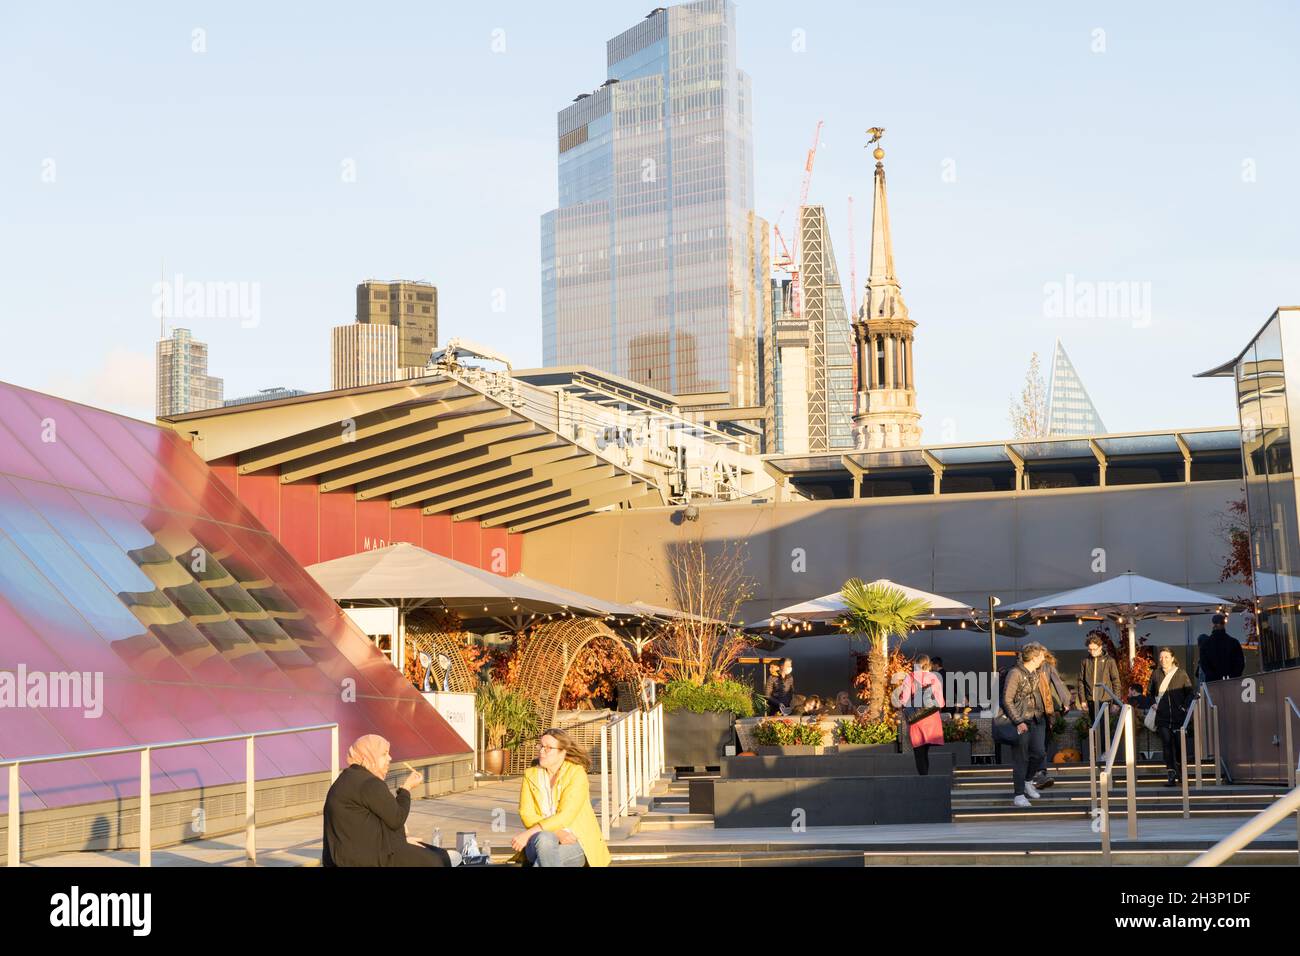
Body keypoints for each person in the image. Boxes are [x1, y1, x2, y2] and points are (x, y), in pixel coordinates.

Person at [322, 734, 452, 867]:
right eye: (384, 754)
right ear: (368, 757)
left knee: (437, 854)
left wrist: (400, 841)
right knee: (437, 860)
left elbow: (372, 822)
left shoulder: (346, 779)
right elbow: (397, 818)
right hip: (367, 858)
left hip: (348, 855)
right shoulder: (369, 783)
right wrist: (406, 789)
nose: (390, 758)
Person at [511, 728, 611, 867]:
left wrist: (528, 834)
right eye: (541, 746)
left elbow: (566, 815)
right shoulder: (531, 775)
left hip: (575, 841)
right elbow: (526, 814)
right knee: (545, 839)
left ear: (562, 752)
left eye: (548, 748)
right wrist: (556, 833)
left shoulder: (576, 774)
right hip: (538, 842)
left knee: (544, 860)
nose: (541, 751)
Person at [1137, 647, 1196, 786]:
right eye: (1161, 657)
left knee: (1179, 746)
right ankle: (1171, 774)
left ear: (1172, 658)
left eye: (1166, 657)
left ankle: (1182, 773)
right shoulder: (1156, 674)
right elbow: (1150, 693)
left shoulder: (1181, 674)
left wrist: (1183, 707)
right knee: (1167, 745)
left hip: (1178, 717)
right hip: (1162, 716)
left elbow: (1190, 693)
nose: (1163, 660)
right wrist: (1152, 704)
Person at [1002, 643, 1049, 808]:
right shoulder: (1015, 673)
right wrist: (1018, 721)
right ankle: (1019, 794)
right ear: (1034, 658)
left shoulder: (1036, 673)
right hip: (1021, 720)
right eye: (1041, 656)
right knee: (1020, 758)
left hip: (1037, 718)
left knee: (1039, 753)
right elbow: (1007, 700)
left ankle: (1028, 780)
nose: (1044, 658)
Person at [897, 654, 945, 775]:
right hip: (931, 718)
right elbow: (941, 702)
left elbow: (904, 700)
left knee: (919, 753)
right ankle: (926, 778)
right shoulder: (934, 677)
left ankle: (924, 779)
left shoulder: (910, 677)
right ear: (928, 665)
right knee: (925, 752)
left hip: (917, 719)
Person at [1077, 633, 1121, 727]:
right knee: (1094, 726)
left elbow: (1116, 681)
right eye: (1090, 649)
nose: (1092, 652)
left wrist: (1116, 702)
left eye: (1094, 649)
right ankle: (1097, 742)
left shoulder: (1109, 661)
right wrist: (1083, 700)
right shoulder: (1085, 661)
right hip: (1091, 700)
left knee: (1103, 728)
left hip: (1105, 700)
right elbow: (1081, 681)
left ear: (1100, 647)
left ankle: (1103, 742)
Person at [1197, 614, 1246, 684]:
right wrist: (1233, 676)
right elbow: (1240, 663)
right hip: (1232, 682)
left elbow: (1204, 665)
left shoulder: (1205, 644)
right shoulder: (1234, 642)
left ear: (1213, 625)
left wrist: (1213, 677)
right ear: (1224, 624)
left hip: (1213, 684)